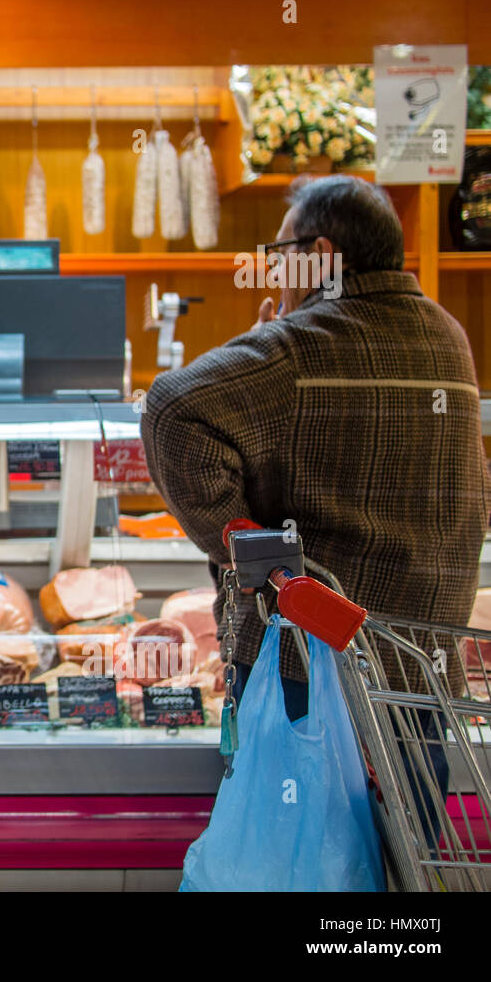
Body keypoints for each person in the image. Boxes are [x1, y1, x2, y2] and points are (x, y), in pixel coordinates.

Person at [142, 175, 489, 719]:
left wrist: (243, 546)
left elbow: (169, 405)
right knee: (409, 800)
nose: (276, 273)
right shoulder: (446, 333)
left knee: (295, 804)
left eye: (281, 255)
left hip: (308, 665)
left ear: (321, 255)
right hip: (418, 666)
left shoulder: (298, 347)